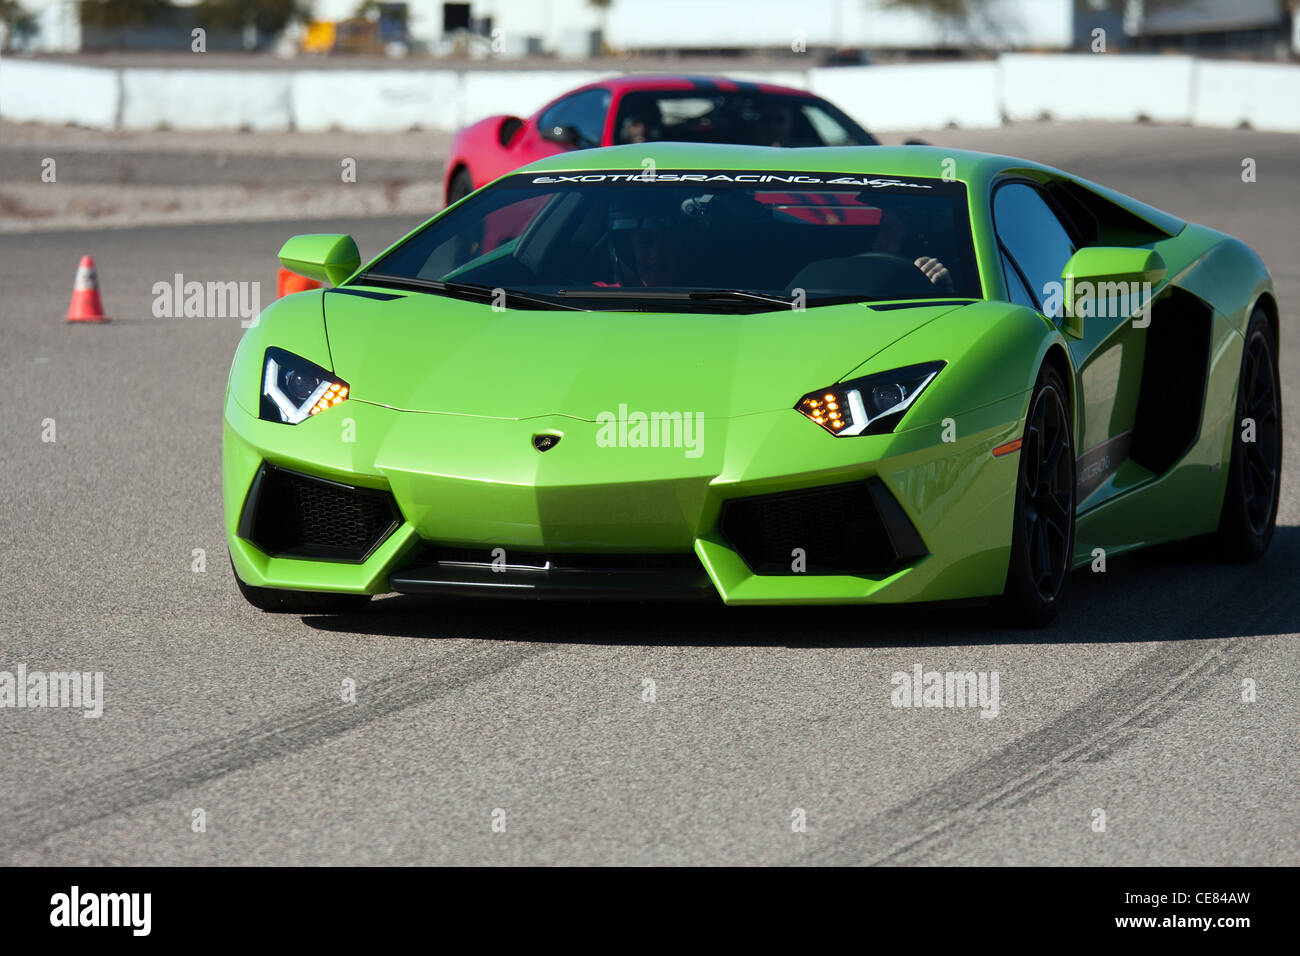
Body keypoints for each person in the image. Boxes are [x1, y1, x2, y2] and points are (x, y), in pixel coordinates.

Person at [872, 209, 952, 290]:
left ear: (910, 238)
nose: (876, 244)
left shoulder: (932, 274)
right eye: (879, 230)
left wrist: (946, 290)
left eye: (888, 230)